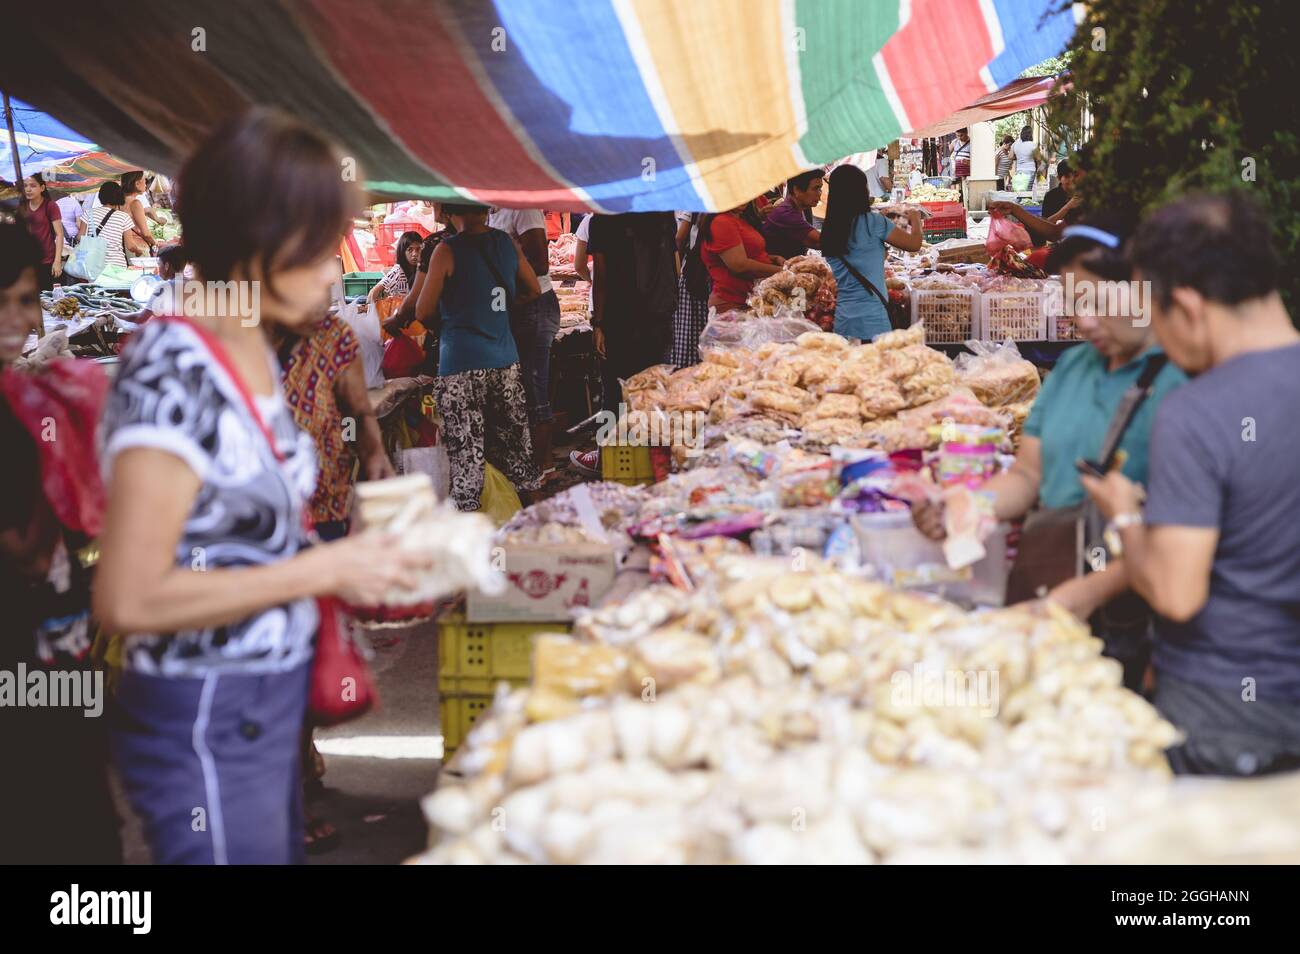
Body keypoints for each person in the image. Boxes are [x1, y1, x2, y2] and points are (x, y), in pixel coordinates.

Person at [95, 109, 428, 865]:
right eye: (316, 248)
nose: (330, 271)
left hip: (265, 701)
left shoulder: (255, 347)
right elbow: (129, 598)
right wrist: (326, 569)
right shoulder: (175, 364)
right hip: (207, 709)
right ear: (256, 242)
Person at [1075, 193, 1300, 775]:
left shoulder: (1197, 412)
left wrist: (1125, 514)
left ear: (1189, 306)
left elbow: (1177, 593)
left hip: (1224, 710)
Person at [913, 214, 1187, 690]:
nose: (1083, 321)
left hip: (1133, 611)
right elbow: (1027, 477)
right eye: (1074, 304)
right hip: (1057, 583)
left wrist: (1084, 594)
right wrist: (968, 506)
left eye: (1097, 302)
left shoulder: (1181, 383)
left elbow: (1182, 536)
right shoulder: (1073, 366)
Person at [0, 221, 121, 864]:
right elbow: (22, 547)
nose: (16, 318)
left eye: (25, 299)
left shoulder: (26, 399)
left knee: (84, 813)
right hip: (16, 657)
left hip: (63, 647)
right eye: (1, 301)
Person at [414, 203, 544, 511]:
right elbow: (534, 289)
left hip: (460, 364)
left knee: (465, 454)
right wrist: (499, 312)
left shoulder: (446, 250)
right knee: (516, 448)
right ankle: (530, 522)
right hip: (505, 362)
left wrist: (449, 325)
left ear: (448, 210)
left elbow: (422, 311)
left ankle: (473, 530)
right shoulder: (506, 243)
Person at [488, 207, 561, 472]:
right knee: (521, 385)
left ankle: (544, 466)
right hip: (515, 307)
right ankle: (531, 463)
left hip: (535, 304)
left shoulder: (521, 208)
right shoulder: (489, 213)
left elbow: (541, 264)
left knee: (533, 385)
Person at [820, 163, 923, 341]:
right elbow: (914, 244)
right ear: (861, 191)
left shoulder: (829, 230)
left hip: (843, 323)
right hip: (874, 321)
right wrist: (915, 219)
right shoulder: (873, 223)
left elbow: (864, 257)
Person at [699, 199, 784, 315]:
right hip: (732, 302)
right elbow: (739, 265)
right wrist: (782, 272)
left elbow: (748, 252)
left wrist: (772, 258)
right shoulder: (722, 221)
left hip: (749, 300)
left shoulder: (739, 218)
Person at [668, 210, 712, 368]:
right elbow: (678, 240)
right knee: (695, 335)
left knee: (691, 337)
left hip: (695, 277)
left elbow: (679, 241)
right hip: (695, 278)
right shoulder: (693, 207)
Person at [82, 181, 151, 269]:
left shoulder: (89, 213)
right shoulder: (124, 217)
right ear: (119, 196)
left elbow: (80, 237)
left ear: (101, 196)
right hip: (117, 265)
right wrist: (138, 251)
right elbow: (130, 246)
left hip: (93, 265)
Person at [762, 170, 824, 258]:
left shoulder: (802, 208)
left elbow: (812, 242)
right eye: (815, 188)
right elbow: (824, 241)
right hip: (779, 267)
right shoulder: (786, 213)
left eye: (820, 189)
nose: (819, 194)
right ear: (797, 190)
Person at [17, 173, 64, 290]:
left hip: (47, 261)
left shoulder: (50, 206)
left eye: (32, 186)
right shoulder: (22, 207)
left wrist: (57, 261)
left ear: (42, 188)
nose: (28, 189)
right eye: (25, 186)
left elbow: (59, 234)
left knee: (46, 299)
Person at [368, 229, 423, 304]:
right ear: (402, 252)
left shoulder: (420, 269)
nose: (415, 254)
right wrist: (371, 310)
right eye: (410, 250)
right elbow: (373, 293)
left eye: (418, 249)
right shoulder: (398, 271)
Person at [120, 170, 156, 254]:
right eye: (144, 180)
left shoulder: (118, 202)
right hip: (137, 248)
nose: (145, 184)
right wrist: (155, 243)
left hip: (123, 247)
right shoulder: (135, 203)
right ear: (137, 184)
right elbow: (146, 234)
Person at [1010, 126, 1044, 191]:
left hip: (1019, 171)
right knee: (1028, 192)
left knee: (1019, 192)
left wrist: (1019, 157)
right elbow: (1039, 158)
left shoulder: (1016, 144)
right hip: (1030, 170)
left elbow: (1010, 156)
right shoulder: (1033, 145)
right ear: (1030, 134)